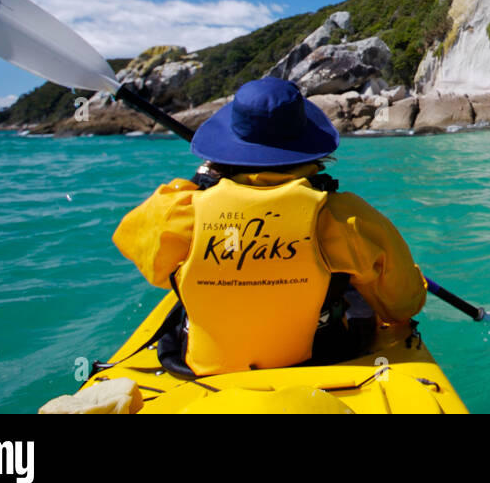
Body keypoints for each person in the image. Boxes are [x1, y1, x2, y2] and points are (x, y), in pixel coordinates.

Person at [111, 77, 427, 377]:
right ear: (309, 144)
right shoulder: (346, 216)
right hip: (320, 357)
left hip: (201, 367)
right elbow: (402, 306)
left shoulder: (180, 212)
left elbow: (136, 248)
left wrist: (197, 183)